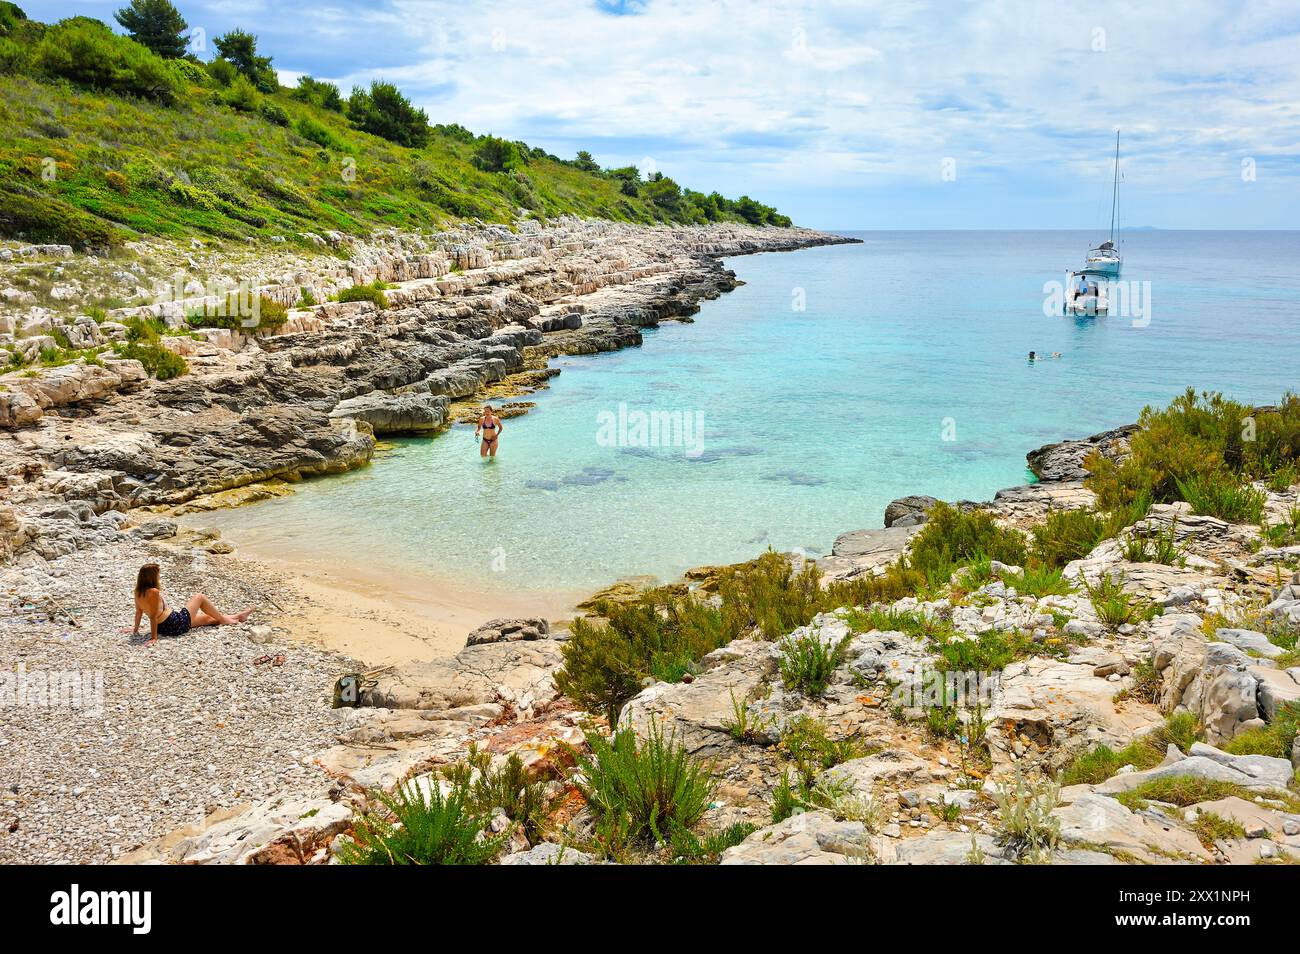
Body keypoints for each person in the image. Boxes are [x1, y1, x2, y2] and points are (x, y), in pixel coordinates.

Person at [124, 563, 254, 645]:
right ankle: (226, 620)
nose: (159, 577)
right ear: (152, 577)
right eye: (158, 575)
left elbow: (139, 612)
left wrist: (135, 629)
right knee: (199, 597)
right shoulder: (153, 592)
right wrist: (153, 638)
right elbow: (152, 616)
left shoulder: (137, 592)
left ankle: (238, 617)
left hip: (167, 627)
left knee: (210, 619)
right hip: (175, 623)